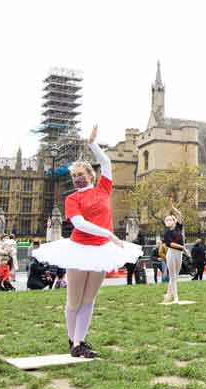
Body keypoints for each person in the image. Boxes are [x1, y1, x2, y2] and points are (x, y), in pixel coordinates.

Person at [33, 125, 141, 357]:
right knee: (75, 299)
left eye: (81, 174)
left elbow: (108, 164)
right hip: (80, 248)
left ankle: (78, 342)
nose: (77, 179)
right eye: (74, 176)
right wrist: (109, 234)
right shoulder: (72, 198)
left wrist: (93, 144)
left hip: (101, 250)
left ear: (91, 175)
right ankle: (73, 340)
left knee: (89, 299)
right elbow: (79, 223)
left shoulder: (103, 189)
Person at [161, 203, 187, 303]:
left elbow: (180, 214)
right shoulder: (167, 233)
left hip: (179, 254)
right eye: (166, 220)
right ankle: (176, 298)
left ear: (174, 221)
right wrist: (183, 247)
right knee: (173, 277)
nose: (168, 221)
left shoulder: (178, 228)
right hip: (171, 254)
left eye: (170, 219)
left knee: (175, 276)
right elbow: (171, 244)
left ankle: (168, 295)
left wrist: (173, 208)